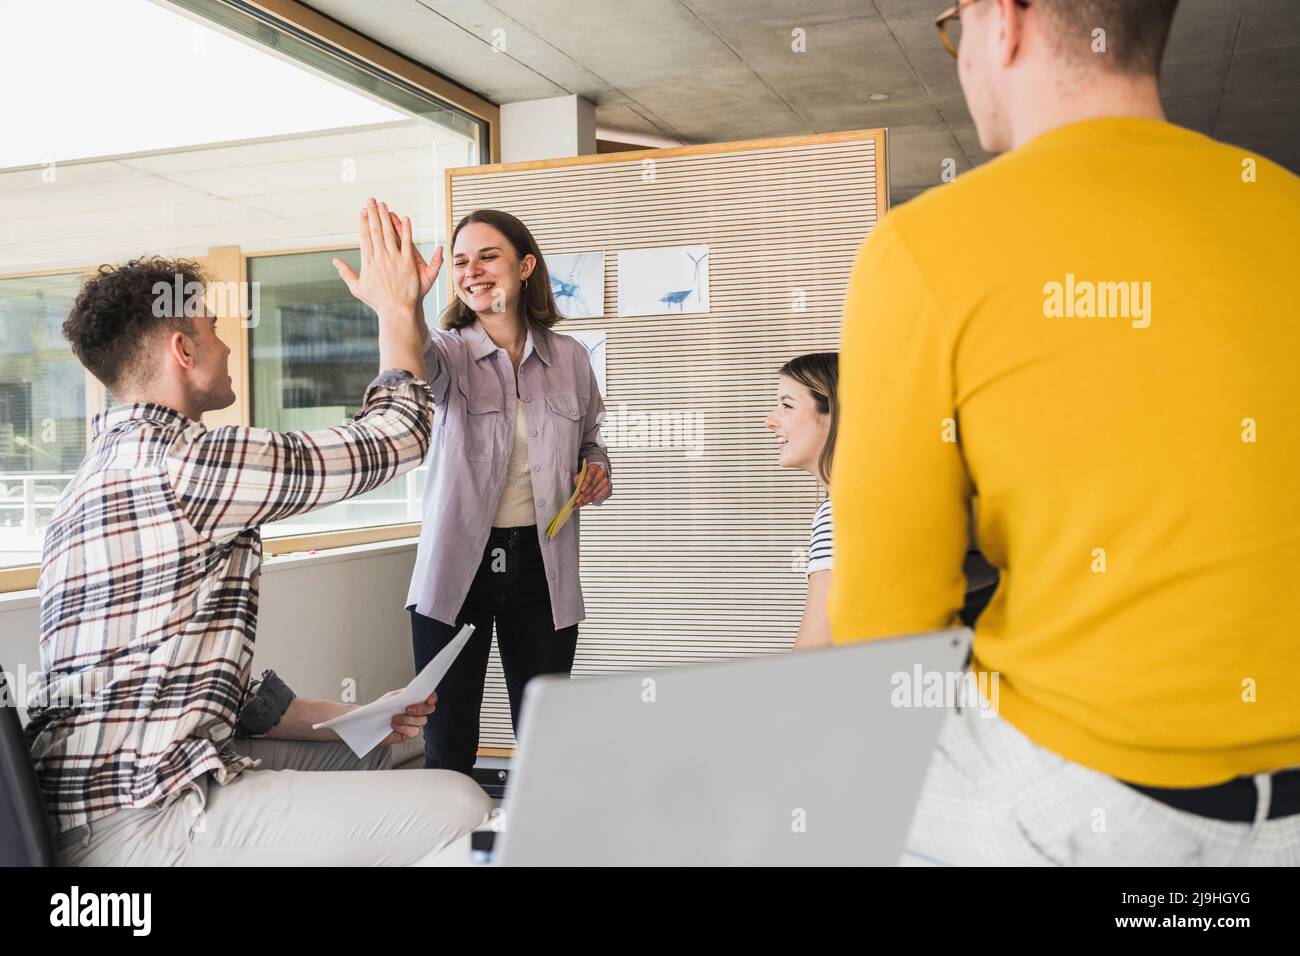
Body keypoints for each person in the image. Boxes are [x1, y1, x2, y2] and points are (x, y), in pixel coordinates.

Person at [830, 0, 1300, 865]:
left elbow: (886, 629)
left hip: (1089, 800)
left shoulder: (922, 247)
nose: (960, 56)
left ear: (1002, 22)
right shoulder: (1284, 204)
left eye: (955, 27)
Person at [29, 198, 491, 865]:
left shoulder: (96, 476)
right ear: (182, 349)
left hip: (106, 799)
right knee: (464, 806)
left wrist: (357, 716)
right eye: (213, 329)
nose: (225, 343)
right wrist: (396, 310)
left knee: (372, 755)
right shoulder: (184, 462)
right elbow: (398, 436)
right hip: (145, 816)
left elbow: (217, 690)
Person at [337, 209, 612, 775]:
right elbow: (408, 356)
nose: (472, 270)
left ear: (525, 266)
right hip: (456, 568)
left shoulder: (571, 359)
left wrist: (595, 468)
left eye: (489, 256)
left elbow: (591, 439)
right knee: (448, 741)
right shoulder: (447, 353)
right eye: (461, 261)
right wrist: (402, 301)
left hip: (543, 567)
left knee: (545, 739)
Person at [767, 352, 997, 652]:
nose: (770, 421)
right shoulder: (898, 500)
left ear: (836, 414)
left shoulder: (843, 514)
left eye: (787, 405)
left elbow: (815, 653)